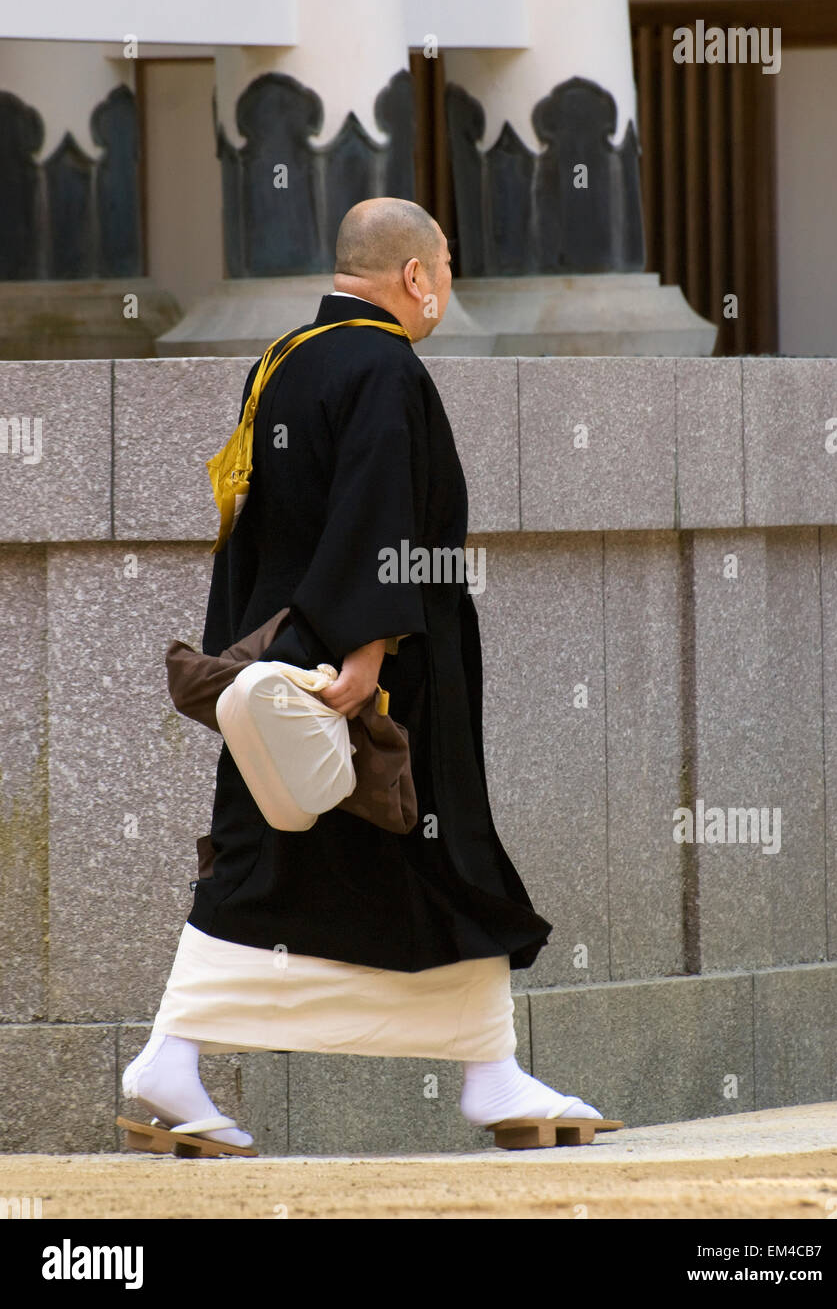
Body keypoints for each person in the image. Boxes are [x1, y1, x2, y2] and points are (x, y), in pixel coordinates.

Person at [121, 197, 604, 1153]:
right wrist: (367, 651)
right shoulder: (384, 364)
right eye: (447, 272)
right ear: (417, 277)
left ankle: (488, 1070)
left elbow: (251, 532)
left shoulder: (283, 361)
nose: (445, 294)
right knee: (416, 847)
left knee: (322, 862)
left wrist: (252, 660)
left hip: (292, 657)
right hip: (370, 676)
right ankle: (174, 1057)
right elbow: (379, 507)